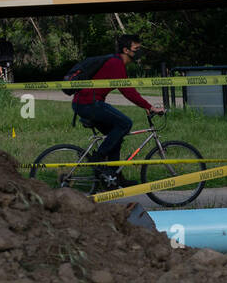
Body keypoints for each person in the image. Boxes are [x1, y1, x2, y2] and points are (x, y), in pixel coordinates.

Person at [71, 34, 165, 187]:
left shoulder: (117, 62)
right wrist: (149, 106)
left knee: (117, 136)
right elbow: (128, 91)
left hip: (86, 103)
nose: (139, 52)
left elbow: (128, 90)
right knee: (125, 123)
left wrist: (146, 106)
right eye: (136, 49)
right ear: (126, 50)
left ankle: (114, 178)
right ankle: (98, 158)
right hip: (89, 103)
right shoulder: (116, 63)